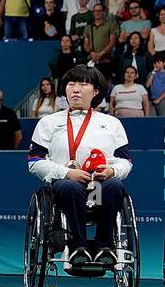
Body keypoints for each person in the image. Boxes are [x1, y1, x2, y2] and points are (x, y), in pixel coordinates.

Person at [27, 65, 132, 262]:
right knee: (71, 187)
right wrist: (65, 172)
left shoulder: (112, 123)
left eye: (83, 84)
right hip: (65, 184)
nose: (75, 89)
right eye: (71, 84)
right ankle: (78, 246)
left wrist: (112, 170)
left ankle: (105, 246)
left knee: (114, 186)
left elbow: (125, 161)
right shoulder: (48, 122)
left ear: (96, 91)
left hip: (97, 186)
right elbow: (34, 161)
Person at [83, 2, 120, 78]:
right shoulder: (88, 27)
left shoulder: (110, 24)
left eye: (99, 10)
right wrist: (92, 53)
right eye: (95, 11)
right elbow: (85, 44)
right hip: (92, 60)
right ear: (93, 13)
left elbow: (112, 42)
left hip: (105, 60)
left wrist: (101, 53)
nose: (97, 13)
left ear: (103, 12)